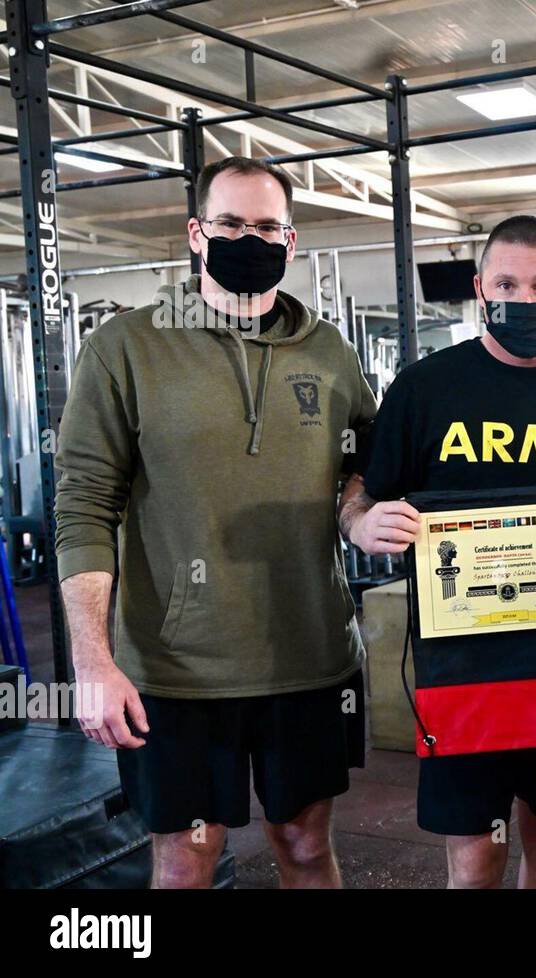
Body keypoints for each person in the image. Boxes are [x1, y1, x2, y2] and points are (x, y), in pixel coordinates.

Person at [55, 157, 377, 888]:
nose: (248, 238)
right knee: (187, 856)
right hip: (176, 671)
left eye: (266, 226)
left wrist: (356, 513)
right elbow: (83, 504)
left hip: (309, 654)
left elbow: (363, 464)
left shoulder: (328, 351)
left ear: (290, 241)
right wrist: (92, 663)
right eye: (230, 223)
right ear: (197, 234)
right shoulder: (126, 348)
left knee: (302, 842)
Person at [339, 214, 536, 889]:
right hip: (465, 669)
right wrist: (362, 524)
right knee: (474, 858)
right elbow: (363, 491)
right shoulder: (424, 390)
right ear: (481, 289)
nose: (525, 298)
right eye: (508, 282)